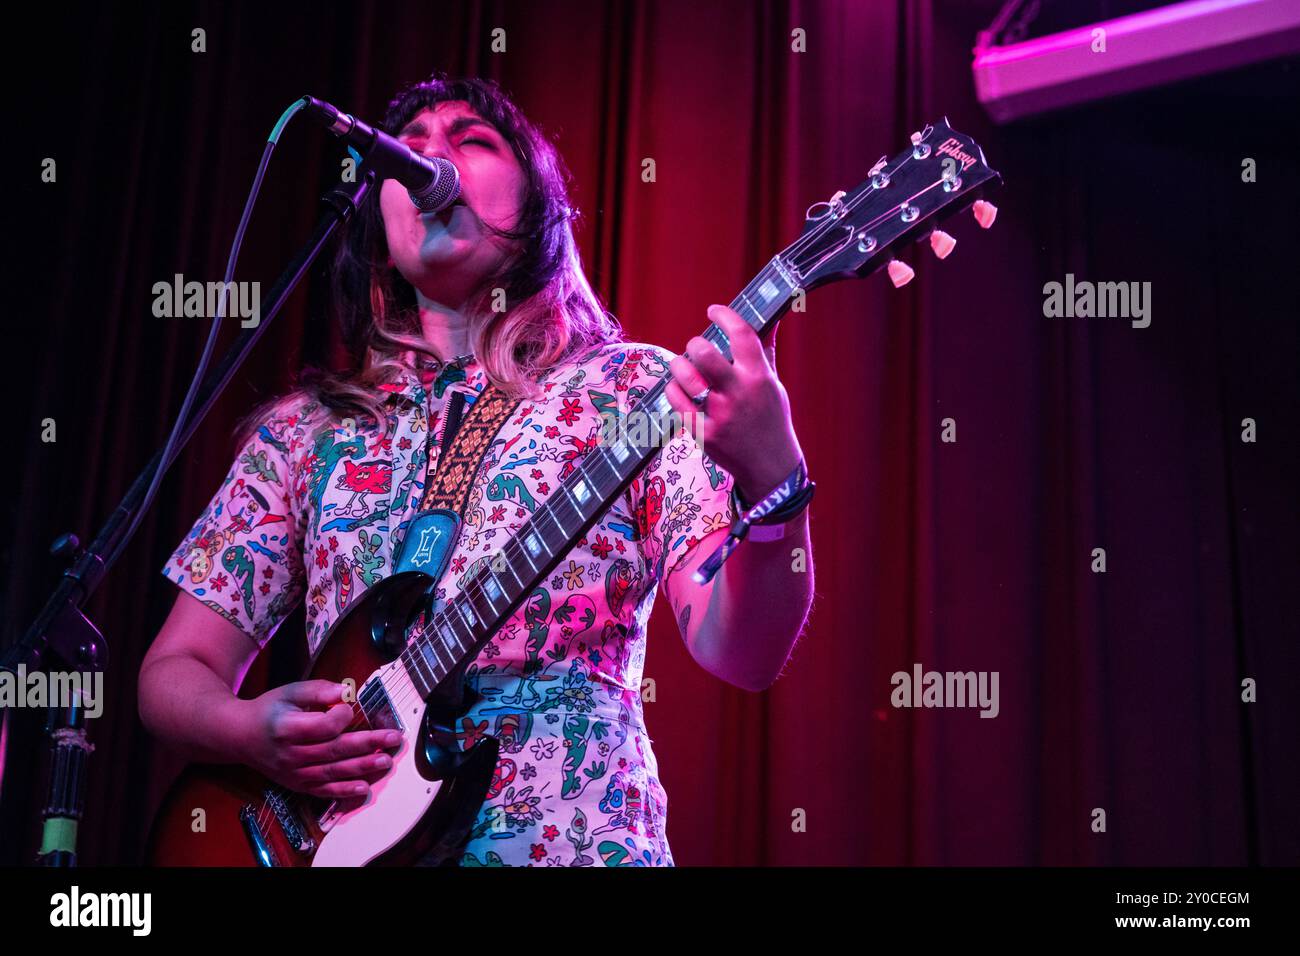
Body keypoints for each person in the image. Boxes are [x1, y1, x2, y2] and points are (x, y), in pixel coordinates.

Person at [138, 72, 815, 867]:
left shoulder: (633, 390)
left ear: (538, 206)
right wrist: (252, 733)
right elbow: (174, 671)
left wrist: (779, 488)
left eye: (472, 140)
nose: (430, 155)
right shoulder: (303, 434)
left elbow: (741, 651)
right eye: (410, 146)